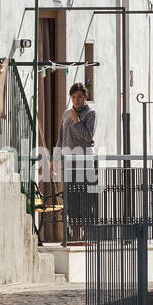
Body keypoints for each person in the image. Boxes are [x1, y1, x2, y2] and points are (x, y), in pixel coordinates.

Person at [57, 82, 98, 241]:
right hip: (69, 161)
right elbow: (61, 137)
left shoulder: (90, 113)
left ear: (85, 96)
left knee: (86, 199)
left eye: (79, 96)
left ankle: (87, 236)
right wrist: (55, 158)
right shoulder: (67, 113)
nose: (76, 100)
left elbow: (88, 137)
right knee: (71, 200)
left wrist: (77, 122)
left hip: (85, 160)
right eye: (73, 97)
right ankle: (74, 237)